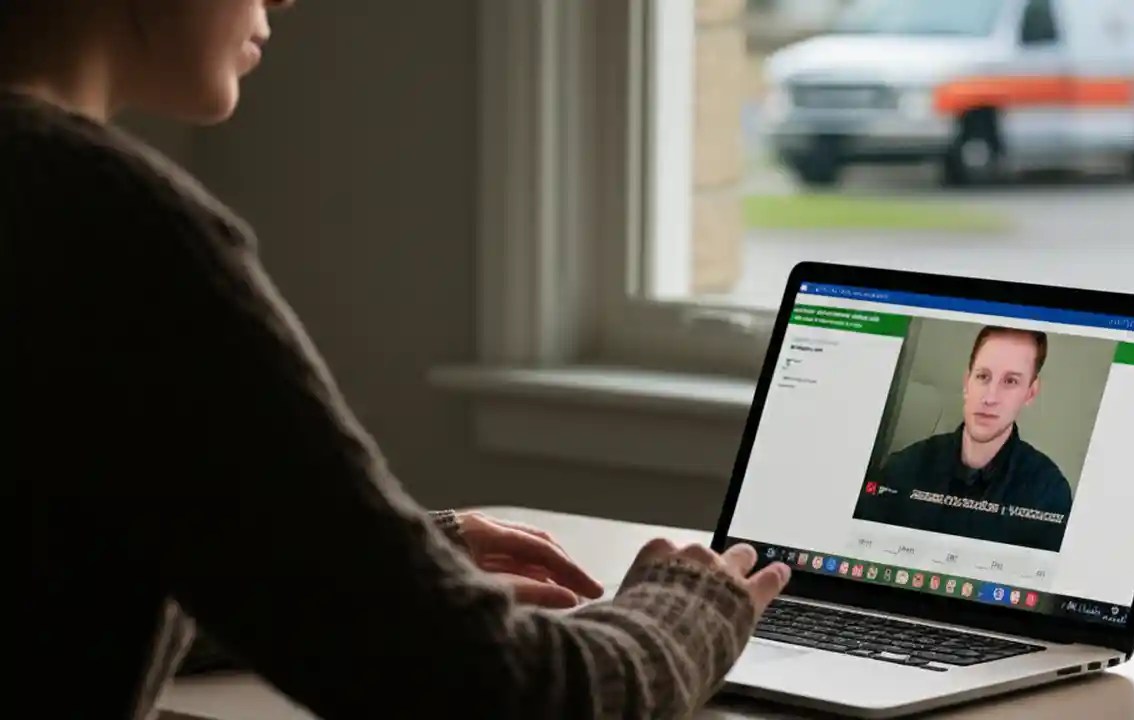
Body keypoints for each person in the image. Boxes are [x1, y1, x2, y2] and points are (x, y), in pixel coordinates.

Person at [4, 1, 791, 718]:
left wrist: (366, 564)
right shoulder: (106, 229)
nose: (283, 0)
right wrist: (692, 607)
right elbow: (505, 693)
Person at [857, 327, 1073, 551]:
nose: (990, 398)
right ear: (966, 382)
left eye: (1010, 381)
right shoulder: (902, 469)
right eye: (982, 376)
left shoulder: (1049, 494)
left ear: (1030, 393)